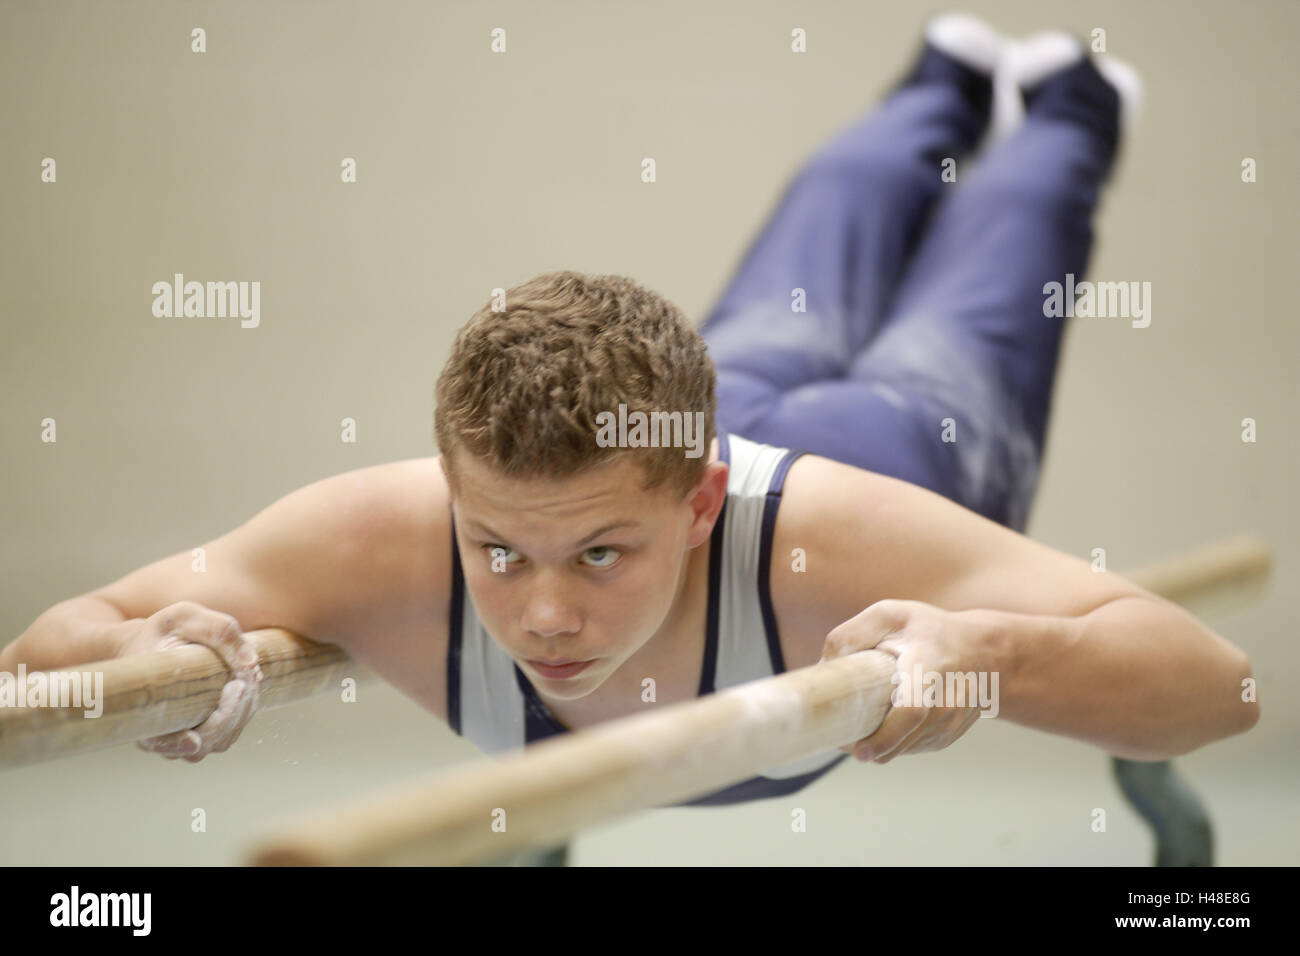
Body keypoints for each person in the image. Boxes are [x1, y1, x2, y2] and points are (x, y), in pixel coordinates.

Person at [3, 16, 1257, 806]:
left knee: (993, 267)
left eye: (599, 554)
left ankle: (1073, 103)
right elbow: (42, 656)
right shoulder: (373, 536)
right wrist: (137, 643)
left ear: (704, 500)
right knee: (802, 266)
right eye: (498, 548)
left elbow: (1223, 690)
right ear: (452, 494)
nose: (544, 614)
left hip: (898, 440)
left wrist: (990, 652)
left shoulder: (850, 542)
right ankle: (943, 77)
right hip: (710, 406)